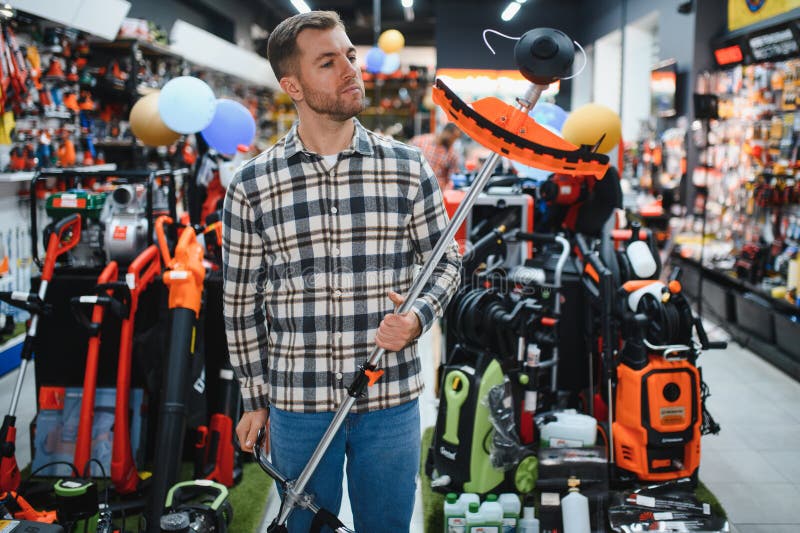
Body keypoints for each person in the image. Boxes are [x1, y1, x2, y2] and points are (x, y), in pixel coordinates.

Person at [222, 10, 461, 533]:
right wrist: (254, 399)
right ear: (293, 86)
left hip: (390, 402)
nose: (350, 69)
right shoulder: (251, 185)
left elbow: (446, 262)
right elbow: (240, 303)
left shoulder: (406, 167)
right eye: (328, 62)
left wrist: (417, 318)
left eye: (350, 55)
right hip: (297, 404)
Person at [409, 122, 462, 191]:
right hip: (415, 186)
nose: (453, 141)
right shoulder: (420, 141)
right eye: (453, 137)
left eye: (455, 139)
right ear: (446, 132)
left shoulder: (452, 154)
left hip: (436, 191)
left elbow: (451, 179)